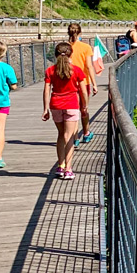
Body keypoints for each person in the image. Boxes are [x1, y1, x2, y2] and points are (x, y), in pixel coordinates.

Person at [42, 42, 87, 181]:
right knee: (69, 136)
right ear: (70, 54)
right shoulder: (77, 70)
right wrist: (84, 106)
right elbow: (83, 91)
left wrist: (45, 108)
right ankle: (68, 169)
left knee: (61, 135)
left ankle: (60, 166)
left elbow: (46, 90)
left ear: (55, 55)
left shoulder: (50, 70)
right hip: (72, 104)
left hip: (56, 104)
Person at [67, 24, 98, 145]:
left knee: (73, 110)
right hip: (83, 82)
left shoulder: (65, 47)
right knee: (84, 109)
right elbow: (89, 66)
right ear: (80, 33)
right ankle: (86, 133)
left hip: (69, 82)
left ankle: (75, 138)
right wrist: (94, 83)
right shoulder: (86, 47)